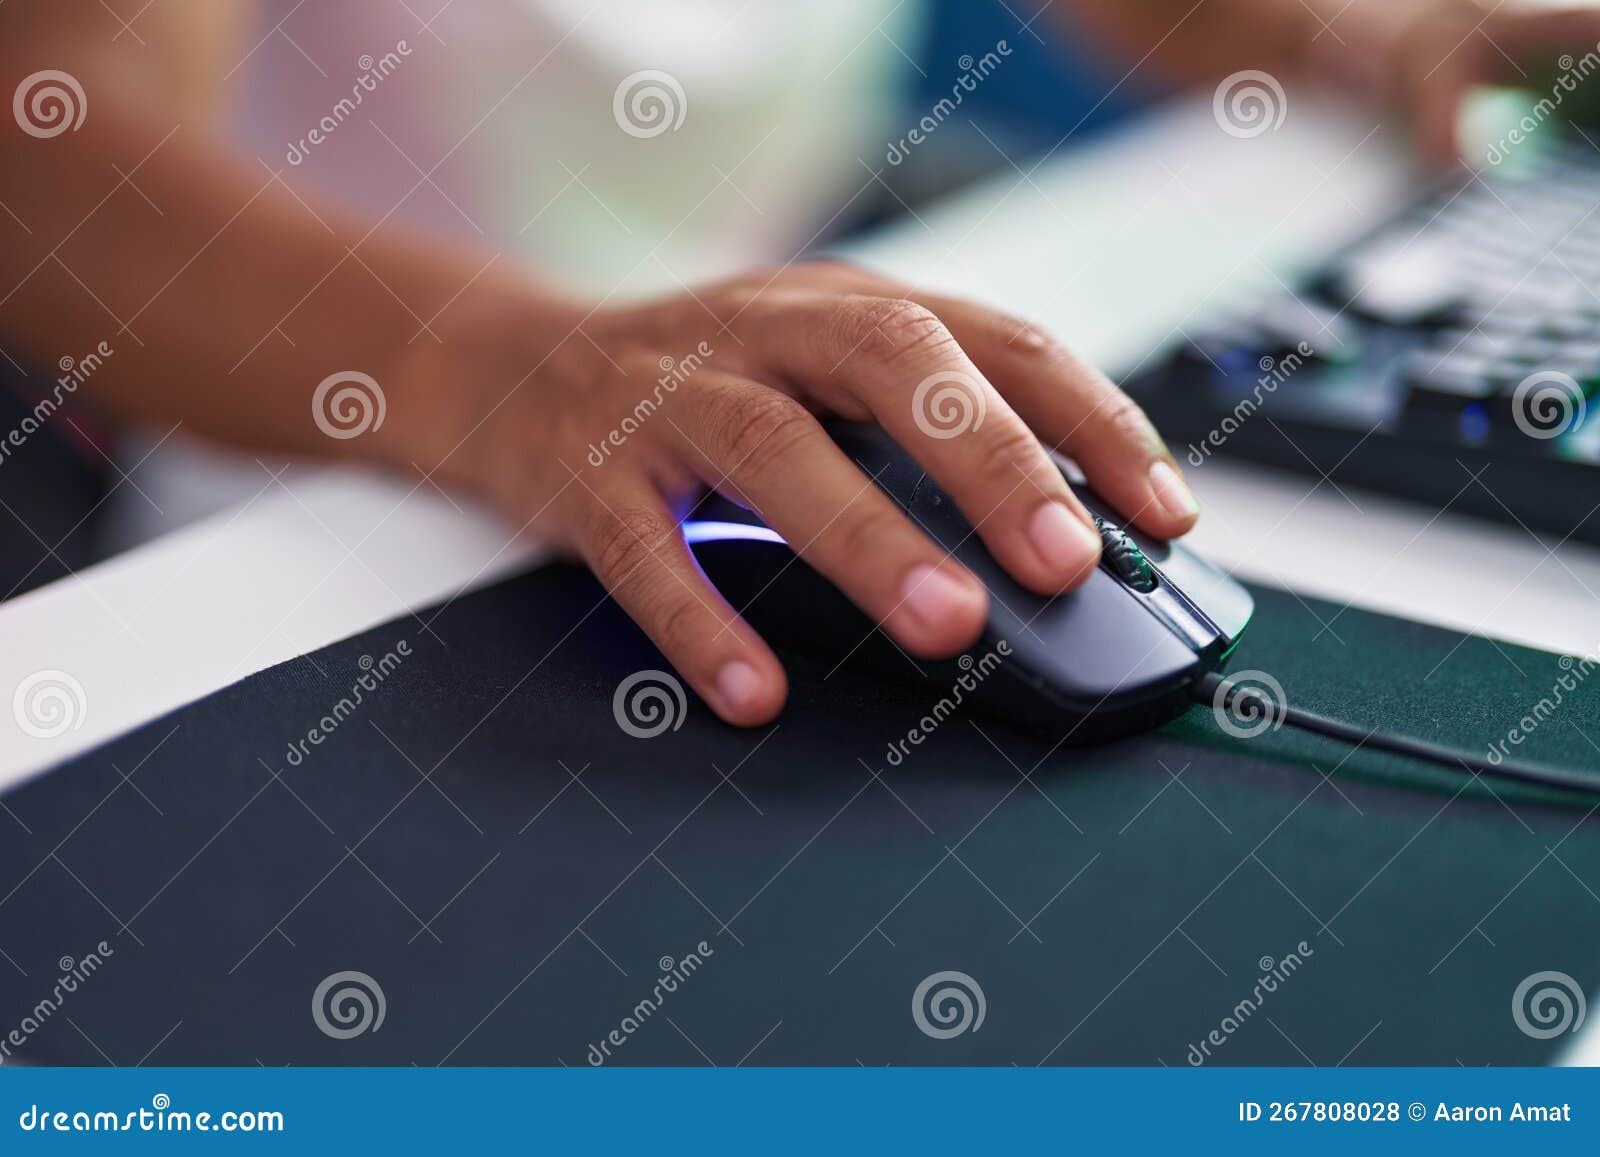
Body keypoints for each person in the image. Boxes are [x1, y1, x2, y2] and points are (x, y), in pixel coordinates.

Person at [1, 0, 1595, 727]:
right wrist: (508, 372)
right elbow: (45, 155)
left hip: (762, 395)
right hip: (315, 481)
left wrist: (1358, 32)